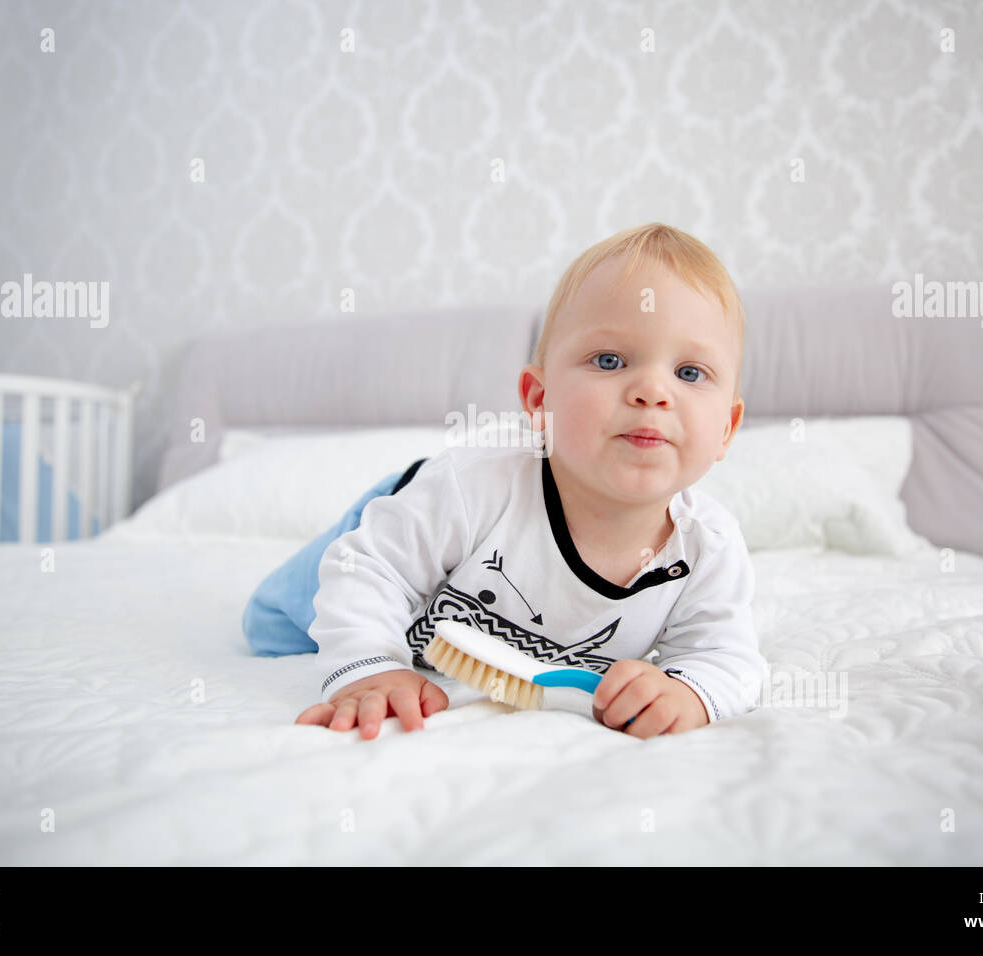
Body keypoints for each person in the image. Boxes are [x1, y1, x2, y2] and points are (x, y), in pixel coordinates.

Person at [243, 222, 768, 740]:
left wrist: (691, 693)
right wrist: (368, 668)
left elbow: (726, 656)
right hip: (403, 517)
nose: (652, 391)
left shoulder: (706, 549)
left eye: (691, 373)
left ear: (726, 428)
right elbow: (369, 570)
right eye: (609, 361)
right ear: (539, 401)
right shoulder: (476, 486)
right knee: (271, 627)